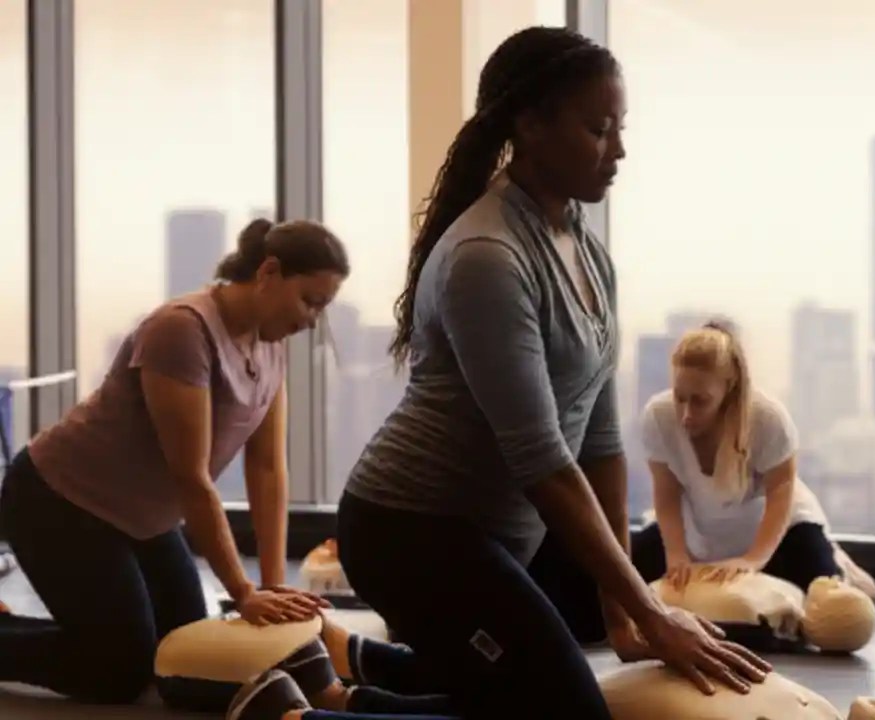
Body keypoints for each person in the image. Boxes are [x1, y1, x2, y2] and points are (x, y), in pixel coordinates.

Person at [228, 25, 771, 720]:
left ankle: (349, 672)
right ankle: (294, 718)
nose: (619, 150)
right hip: (413, 532)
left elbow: (598, 434)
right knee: (561, 712)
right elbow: (542, 457)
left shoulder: (582, 243)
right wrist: (652, 612)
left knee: (530, 685)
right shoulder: (488, 255)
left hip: (504, 532)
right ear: (531, 126)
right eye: (598, 129)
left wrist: (623, 602)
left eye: (620, 127)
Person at [0, 218, 348, 705]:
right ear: (269, 272)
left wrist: (272, 589)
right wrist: (243, 592)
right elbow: (191, 476)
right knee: (118, 669)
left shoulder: (271, 347)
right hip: (61, 502)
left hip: (145, 519)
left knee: (180, 657)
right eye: (310, 301)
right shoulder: (182, 329)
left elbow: (267, 469)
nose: (313, 320)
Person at [630, 321, 873, 600]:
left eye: (700, 401)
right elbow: (666, 491)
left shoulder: (769, 419)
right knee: (624, 581)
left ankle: (842, 564)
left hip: (777, 528)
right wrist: (676, 555)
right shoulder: (658, 417)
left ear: (729, 389)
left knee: (826, 595)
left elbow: (782, 490)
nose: (686, 414)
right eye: (680, 397)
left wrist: (752, 560)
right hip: (699, 526)